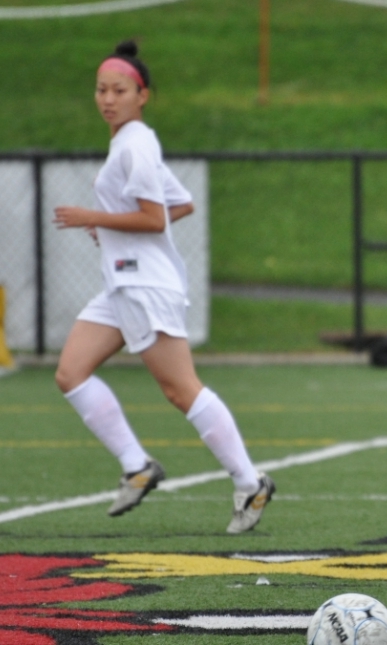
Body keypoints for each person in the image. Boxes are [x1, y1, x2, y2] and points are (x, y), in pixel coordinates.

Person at [52, 41, 274, 534]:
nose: (108, 99)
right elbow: (181, 205)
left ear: (142, 94)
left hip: (146, 283)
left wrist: (95, 217)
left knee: (180, 389)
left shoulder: (134, 144)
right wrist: (109, 226)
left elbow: (154, 219)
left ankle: (248, 480)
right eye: (101, 89)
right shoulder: (133, 143)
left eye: (120, 90)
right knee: (71, 372)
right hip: (122, 282)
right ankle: (137, 466)